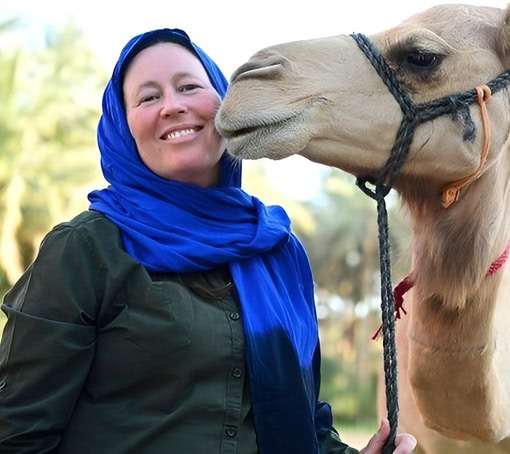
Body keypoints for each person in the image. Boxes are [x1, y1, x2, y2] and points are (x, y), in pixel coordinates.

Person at [0, 28, 416, 454]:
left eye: (189, 87)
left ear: (223, 103)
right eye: (147, 97)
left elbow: (303, 422)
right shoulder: (85, 250)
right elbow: (16, 435)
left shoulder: (278, 251)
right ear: (121, 129)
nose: (173, 106)